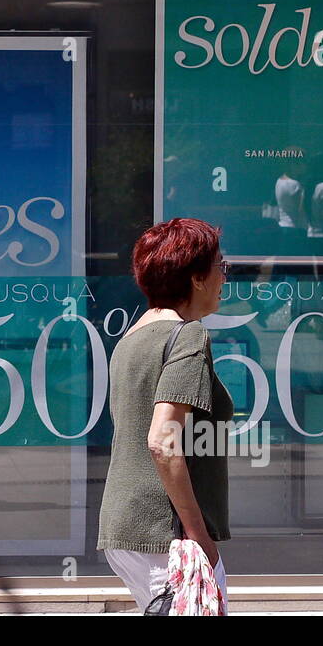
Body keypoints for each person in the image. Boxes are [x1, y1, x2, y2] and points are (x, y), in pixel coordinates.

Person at [98, 217, 234, 610]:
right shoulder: (188, 334)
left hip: (127, 529)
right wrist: (199, 537)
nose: (224, 278)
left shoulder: (132, 338)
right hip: (167, 535)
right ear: (196, 277)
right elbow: (162, 440)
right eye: (219, 267)